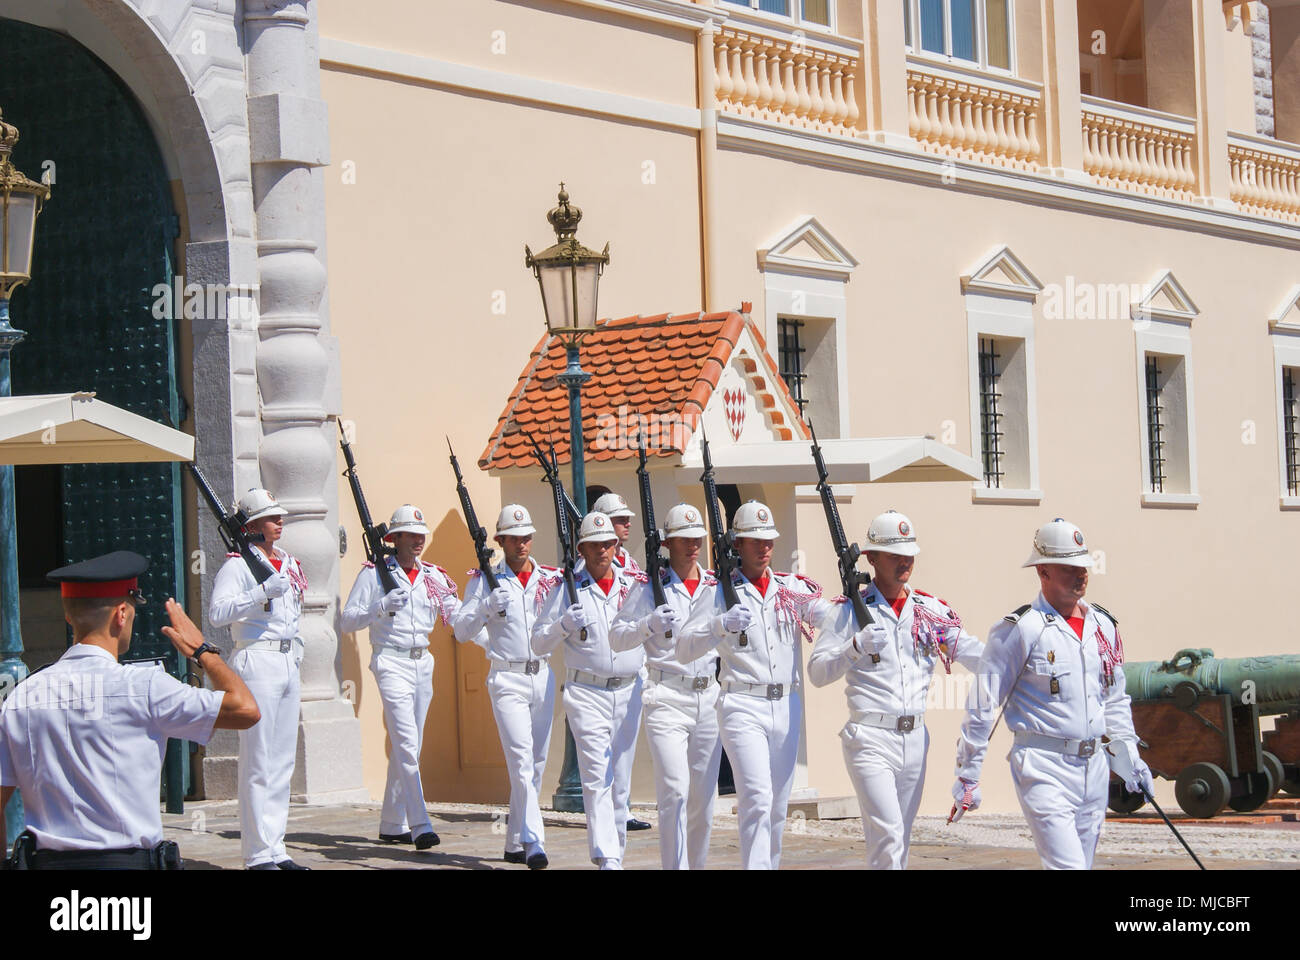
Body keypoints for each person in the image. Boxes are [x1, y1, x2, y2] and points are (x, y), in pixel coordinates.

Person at [0, 551, 260, 869]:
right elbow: (245, 709)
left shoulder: (22, 696)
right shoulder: (145, 687)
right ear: (121, 614)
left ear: (69, 616)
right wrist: (202, 651)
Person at [952, 518, 1152, 869]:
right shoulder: (1021, 628)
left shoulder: (1102, 625)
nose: (1081, 575)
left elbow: (1115, 697)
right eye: (1069, 567)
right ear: (1042, 571)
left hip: (1093, 766)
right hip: (1043, 765)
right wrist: (968, 774)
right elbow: (984, 703)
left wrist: (1129, 755)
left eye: (1083, 567)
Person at [808, 510, 984, 869]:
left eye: (909, 554)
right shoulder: (847, 613)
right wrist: (854, 647)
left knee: (897, 841)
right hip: (870, 737)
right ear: (871, 558)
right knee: (887, 834)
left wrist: (1016, 661)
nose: (905, 561)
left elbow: (969, 650)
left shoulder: (928, 610)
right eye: (895, 555)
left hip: (916, 737)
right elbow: (817, 672)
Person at [678, 500, 832, 870]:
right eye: (754, 541)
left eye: (768, 541)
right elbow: (684, 646)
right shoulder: (717, 592)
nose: (764, 548)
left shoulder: (790, 589)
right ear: (738, 545)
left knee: (778, 806)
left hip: (787, 704)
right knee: (757, 798)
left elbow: (828, 616)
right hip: (742, 704)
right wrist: (719, 625)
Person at [610, 503, 721, 869]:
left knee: (704, 800)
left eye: (697, 539)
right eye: (683, 539)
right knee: (674, 790)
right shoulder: (647, 586)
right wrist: (647, 626)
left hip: (708, 695)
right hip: (666, 696)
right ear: (667, 543)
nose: (692, 546)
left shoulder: (716, 587)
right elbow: (617, 637)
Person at [532, 511, 645, 869]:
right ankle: (607, 857)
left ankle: (617, 855)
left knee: (622, 783)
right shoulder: (566, 587)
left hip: (629, 690)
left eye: (608, 544)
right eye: (594, 545)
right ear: (581, 548)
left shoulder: (635, 584)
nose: (602, 552)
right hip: (586, 692)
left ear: (616, 546)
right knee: (597, 777)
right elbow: (537, 641)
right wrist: (562, 624)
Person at [341, 504, 458, 851]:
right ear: (396, 538)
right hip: (390, 662)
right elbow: (347, 620)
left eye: (421, 533)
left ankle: (393, 823)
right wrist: (379, 607)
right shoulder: (374, 574)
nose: (419, 540)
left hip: (423, 662)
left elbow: (457, 613)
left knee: (411, 745)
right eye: (411, 534)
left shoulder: (433, 575)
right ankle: (420, 823)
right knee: (406, 743)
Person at [209, 488, 311, 870]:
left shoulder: (286, 562)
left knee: (283, 761)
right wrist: (260, 592)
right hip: (258, 658)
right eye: (271, 517)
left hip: (287, 659)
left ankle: (276, 847)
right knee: (258, 760)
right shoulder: (238, 565)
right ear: (251, 525)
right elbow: (218, 613)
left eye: (280, 515)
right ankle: (255, 854)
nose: (279, 521)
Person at [451, 504, 556, 869]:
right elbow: (461, 631)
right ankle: (534, 842)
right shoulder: (482, 580)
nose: (522, 544)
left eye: (526, 537)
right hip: (507, 677)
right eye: (514, 538)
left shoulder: (549, 579)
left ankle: (513, 840)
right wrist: (484, 609)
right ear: (500, 541)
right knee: (521, 761)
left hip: (542, 674)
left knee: (536, 763)